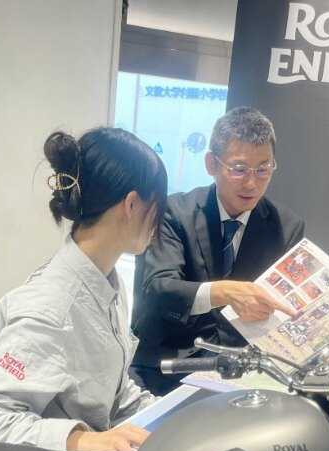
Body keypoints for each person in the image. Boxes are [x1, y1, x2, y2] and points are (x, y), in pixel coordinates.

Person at [0, 127, 167, 451]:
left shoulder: (107, 281)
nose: (159, 221)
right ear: (131, 204)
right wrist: (84, 440)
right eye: (157, 206)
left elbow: (108, 387)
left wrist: (165, 417)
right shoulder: (53, 308)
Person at [130, 107, 305, 395]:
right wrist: (224, 292)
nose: (251, 183)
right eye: (239, 169)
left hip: (239, 372)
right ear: (211, 163)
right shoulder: (175, 212)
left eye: (263, 169)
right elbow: (159, 289)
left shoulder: (287, 227)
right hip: (167, 364)